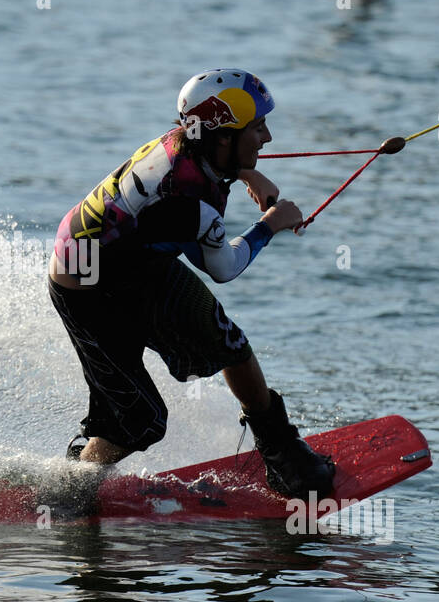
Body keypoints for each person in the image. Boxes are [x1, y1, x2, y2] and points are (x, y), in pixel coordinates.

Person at [47, 68, 336, 503]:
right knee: (141, 421)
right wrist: (269, 226)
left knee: (229, 343)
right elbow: (225, 266)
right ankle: (69, 487)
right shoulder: (188, 207)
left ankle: (282, 455)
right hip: (86, 289)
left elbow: (201, 162)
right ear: (223, 138)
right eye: (258, 128)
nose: (269, 138)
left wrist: (245, 172)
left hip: (136, 265)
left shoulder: (188, 141)